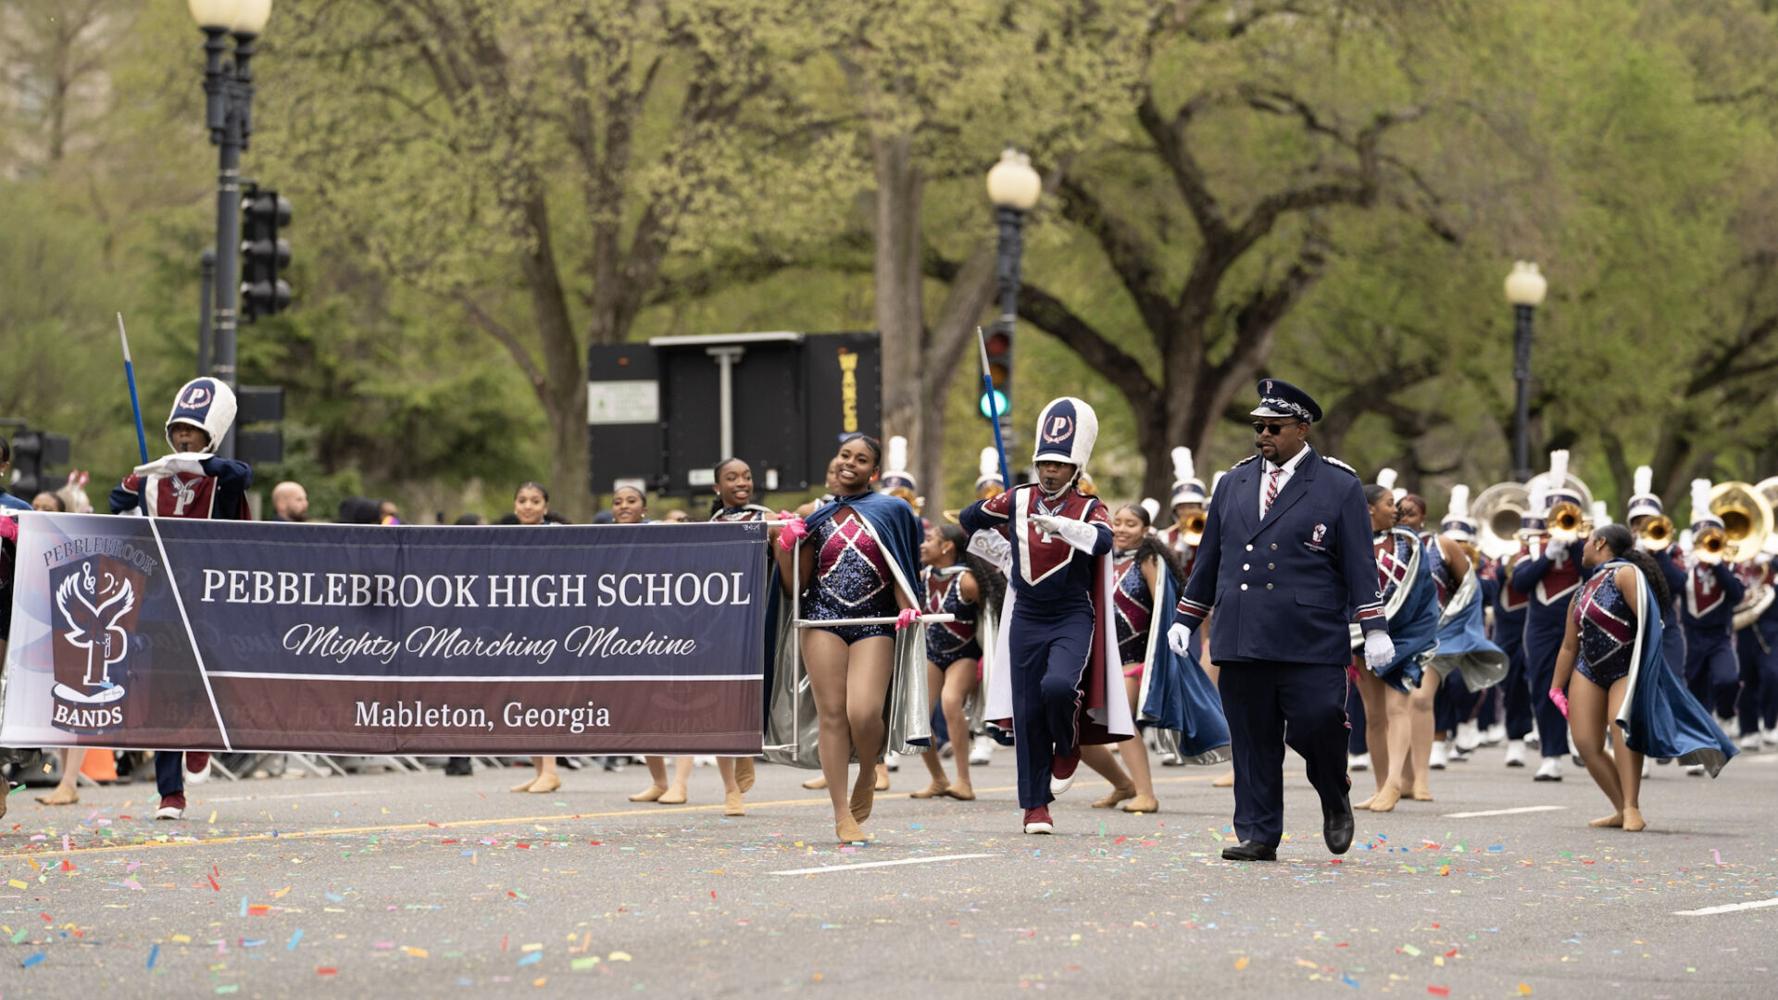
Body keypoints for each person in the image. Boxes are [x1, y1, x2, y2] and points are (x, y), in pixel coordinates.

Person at [1167, 379, 1387, 862]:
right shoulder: (1233, 481)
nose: (1263, 434)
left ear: (1302, 429)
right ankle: (1258, 831)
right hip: (1242, 630)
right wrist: (1187, 616)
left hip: (1309, 633)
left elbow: (1358, 563)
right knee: (1253, 737)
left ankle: (1334, 790)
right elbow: (1210, 557)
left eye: (1274, 427)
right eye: (1258, 426)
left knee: (1317, 722)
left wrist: (1373, 626)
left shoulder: (1339, 484)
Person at [961, 397, 1133, 836]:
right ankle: (1035, 806)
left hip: (1072, 613)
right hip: (1028, 615)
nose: (1049, 470)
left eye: (1059, 464)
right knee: (1028, 708)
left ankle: (1069, 744)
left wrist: (1063, 528)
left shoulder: (1090, 507)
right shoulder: (1019, 498)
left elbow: (1103, 542)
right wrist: (991, 510)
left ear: (1075, 470)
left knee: (1059, 687)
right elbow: (967, 520)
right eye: (1044, 462)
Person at [108, 377, 252, 820]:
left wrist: (197, 465)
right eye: (178, 430)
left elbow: (239, 474)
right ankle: (170, 793)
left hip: (211, 594)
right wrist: (138, 479)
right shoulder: (157, 477)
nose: (183, 438)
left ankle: (201, 739)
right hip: (162, 595)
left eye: (192, 431)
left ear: (209, 435)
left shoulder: (220, 478)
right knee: (165, 690)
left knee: (210, 681)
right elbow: (117, 501)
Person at [773, 434, 924, 843]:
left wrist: (910, 604)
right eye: (844, 455)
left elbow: (901, 566)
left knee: (863, 711)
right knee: (833, 715)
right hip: (823, 620)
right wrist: (785, 545)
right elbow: (794, 587)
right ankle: (842, 813)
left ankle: (869, 771)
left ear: (873, 472)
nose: (849, 464)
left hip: (875, 621)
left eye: (860, 460)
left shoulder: (893, 509)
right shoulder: (815, 513)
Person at [1552, 524, 1739, 832]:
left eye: (1586, 541)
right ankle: (1618, 808)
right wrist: (1556, 687)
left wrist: (1650, 668)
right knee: (1585, 742)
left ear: (1600, 543)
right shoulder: (1581, 591)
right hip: (1589, 669)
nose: (1581, 547)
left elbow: (1650, 621)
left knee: (1621, 726)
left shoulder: (1625, 574)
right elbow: (1569, 645)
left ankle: (1631, 806)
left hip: (1627, 666)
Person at [1077, 502, 1208, 813]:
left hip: (1137, 662)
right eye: (1117, 522)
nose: (1121, 529)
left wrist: (1160, 659)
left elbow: (1166, 609)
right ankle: (1124, 785)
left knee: (1122, 722)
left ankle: (1147, 794)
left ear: (1146, 530)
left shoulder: (1148, 561)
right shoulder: (1102, 560)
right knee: (1076, 734)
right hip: (1104, 664)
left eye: (1130, 524)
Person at [1349, 483, 1441, 812]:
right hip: (1360, 637)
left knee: (1397, 709)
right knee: (1373, 716)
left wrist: (1398, 631)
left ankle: (1395, 784)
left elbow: (1422, 590)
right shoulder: (1348, 540)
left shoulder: (1409, 543)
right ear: (1370, 508)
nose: (1396, 509)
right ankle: (1379, 785)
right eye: (1390, 503)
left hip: (1402, 639)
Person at [1510, 452, 1587, 782]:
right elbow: (1520, 581)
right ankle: (1551, 754)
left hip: (1580, 622)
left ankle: (1586, 741)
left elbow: (1594, 571)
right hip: (1541, 625)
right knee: (1544, 684)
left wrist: (1572, 548)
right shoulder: (1533, 545)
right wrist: (1547, 557)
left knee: (1584, 685)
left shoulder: (1585, 545)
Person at [910, 524, 994, 802]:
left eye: (930, 539)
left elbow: (991, 617)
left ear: (947, 547)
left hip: (964, 655)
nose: (923, 545)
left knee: (949, 701)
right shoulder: (923, 577)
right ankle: (938, 778)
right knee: (917, 714)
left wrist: (991, 663)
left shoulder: (967, 582)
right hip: (933, 654)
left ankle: (964, 781)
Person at [496, 482, 566, 793]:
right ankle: (539, 769)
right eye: (522, 500)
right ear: (514, 507)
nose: (528, 506)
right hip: (518, 627)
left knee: (543, 696)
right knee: (525, 696)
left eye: (535, 501)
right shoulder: (508, 539)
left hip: (549, 627)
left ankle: (551, 769)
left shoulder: (558, 536)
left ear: (546, 507)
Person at [1677, 481, 1746, 752]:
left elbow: (1736, 594)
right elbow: (1672, 586)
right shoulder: (1684, 564)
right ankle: (1699, 752)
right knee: (1695, 694)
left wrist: (1718, 566)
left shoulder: (1729, 565)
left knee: (1727, 679)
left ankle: (1727, 713)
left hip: (1719, 636)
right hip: (1691, 637)